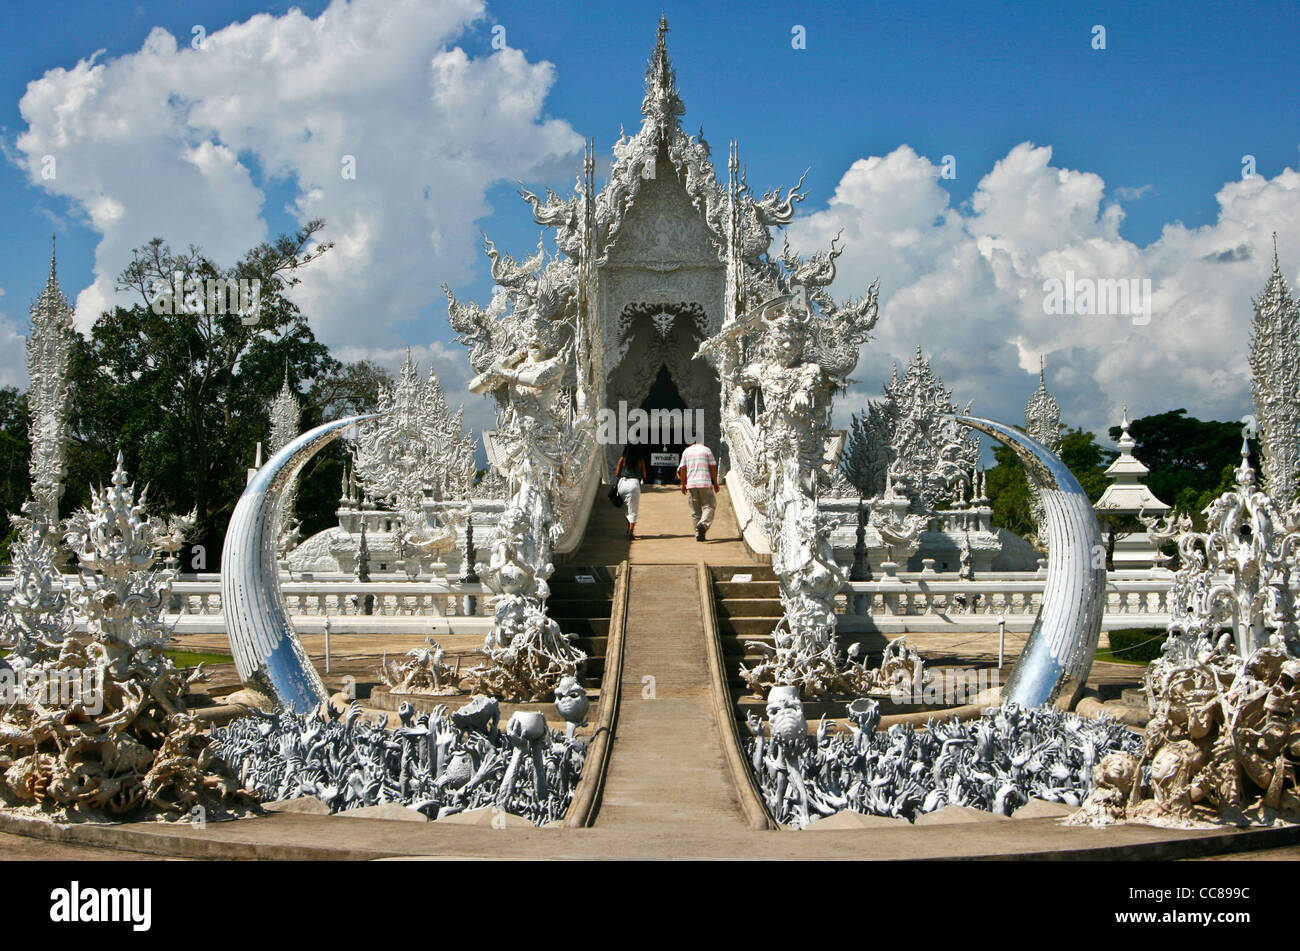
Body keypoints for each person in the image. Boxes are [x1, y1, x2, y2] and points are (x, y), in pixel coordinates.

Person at [677, 439, 719, 542]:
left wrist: (683, 484)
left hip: (691, 484)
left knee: (695, 511)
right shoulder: (706, 450)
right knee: (710, 506)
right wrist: (716, 482)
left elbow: (682, 469)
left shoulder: (686, 451)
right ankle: (703, 525)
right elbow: (713, 466)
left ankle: (698, 534)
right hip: (704, 482)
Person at [614, 444, 647, 540]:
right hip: (634, 484)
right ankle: (631, 531)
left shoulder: (622, 459)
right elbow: (644, 474)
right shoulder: (640, 461)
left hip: (622, 484)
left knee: (626, 508)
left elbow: (617, 473)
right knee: (633, 509)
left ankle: (629, 528)